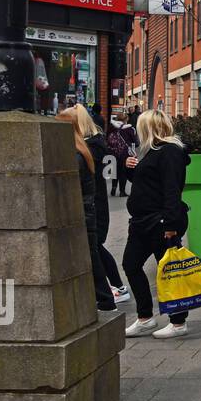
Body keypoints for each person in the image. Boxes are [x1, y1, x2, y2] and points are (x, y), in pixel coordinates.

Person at [123, 110, 193, 339]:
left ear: (150, 127)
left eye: (140, 126)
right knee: (131, 264)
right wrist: (130, 168)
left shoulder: (170, 151)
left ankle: (178, 321)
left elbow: (172, 189)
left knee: (170, 271)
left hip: (161, 221)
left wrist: (170, 224)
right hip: (143, 221)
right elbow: (147, 184)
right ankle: (145, 318)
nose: (137, 130)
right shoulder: (151, 152)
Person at [55, 109, 118, 313]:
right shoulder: (84, 149)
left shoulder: (79, 154)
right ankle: (106, 295)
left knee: (93, 254)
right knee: (92, 253)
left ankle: (108, 297)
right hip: (89, 209)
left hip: (86, 211)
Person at [73, 104, 132, 305]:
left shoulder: (90, 147)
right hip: (94, 203)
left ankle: (116, 288)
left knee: (96, 246)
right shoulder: (91, 144)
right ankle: (113, 288)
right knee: (95, 247)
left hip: (95, 205)